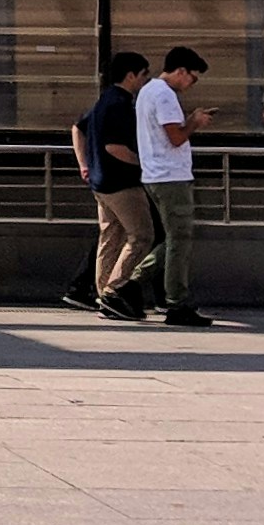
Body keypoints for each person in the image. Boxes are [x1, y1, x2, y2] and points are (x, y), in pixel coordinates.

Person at [64, 48, 151, 319]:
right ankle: (115, 291)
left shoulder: (104, 100)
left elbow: (77, 129)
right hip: (122, 183)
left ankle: (104, 295)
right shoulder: (120, 104)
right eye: (144, 75)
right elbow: (115, 147)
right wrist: (146, 164)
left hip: (100, 183)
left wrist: (84, 164)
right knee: (142, 235)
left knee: (110, 238)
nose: (145, 80)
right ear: (131, 75)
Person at [133, 46, 216, 328]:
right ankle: (175, 302)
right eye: (192, 78)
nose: (192, 84)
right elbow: (176, 137)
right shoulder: (165, 95)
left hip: (156, 175)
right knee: (179, 241)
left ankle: (128, 288)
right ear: (180, 71)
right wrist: (193, 122)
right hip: (170, 177)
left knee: (173, 239)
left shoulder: (147, 91)